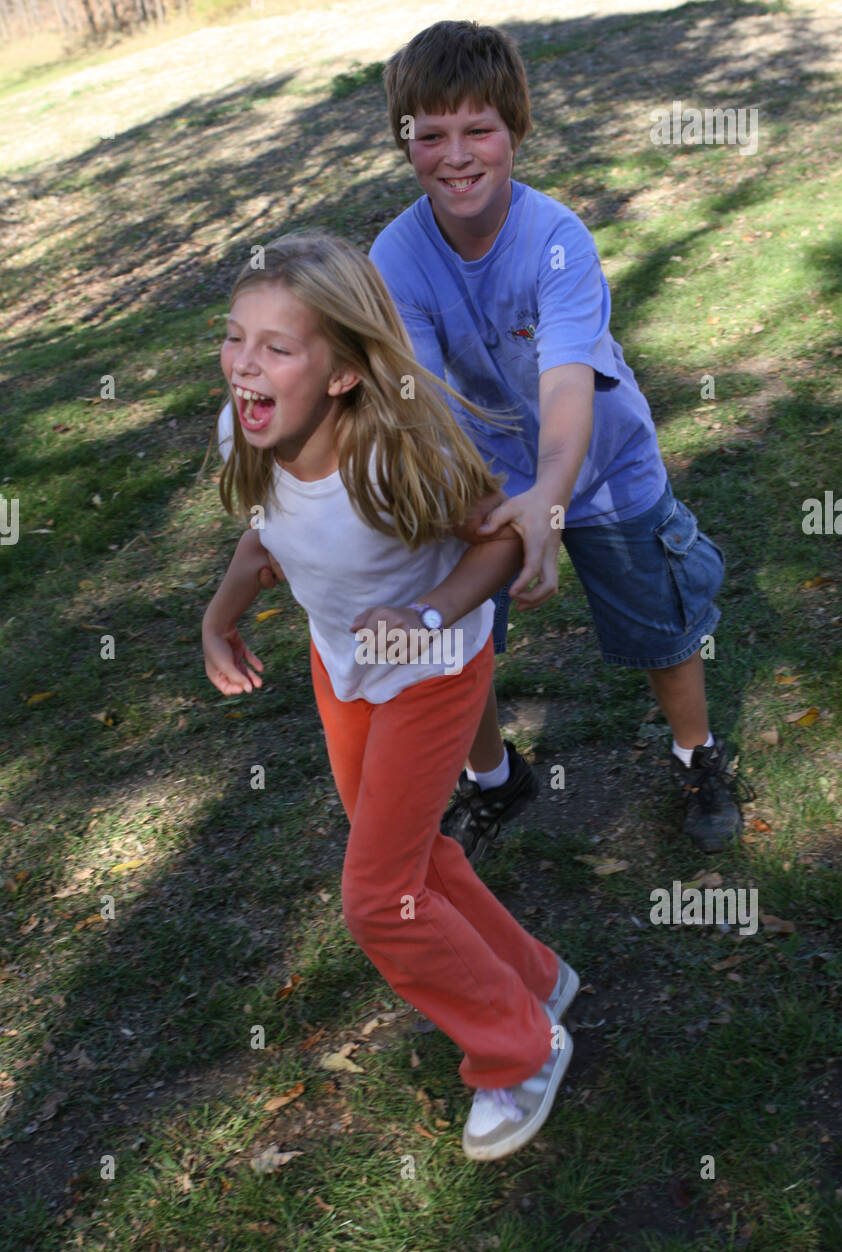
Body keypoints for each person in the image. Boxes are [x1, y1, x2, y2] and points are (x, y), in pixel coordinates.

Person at [201, 231, 580, 1161]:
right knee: (410, 860)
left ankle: (522, 1050)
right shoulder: (242, 431)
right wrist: (220, 619)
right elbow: (261, 538)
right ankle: (537, 978)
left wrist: (429, 610)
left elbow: (495, 536)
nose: (245, 365)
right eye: (234, 337)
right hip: (345, 672)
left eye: (276, 348)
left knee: (375, 900)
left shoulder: (385, 457)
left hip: (434, 674)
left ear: (339, 374)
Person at [368, 19, 750, 861]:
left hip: (605, 465)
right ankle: (495, 777)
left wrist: (549, 498)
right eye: (431, 135)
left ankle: (697, 754)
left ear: (516, 132)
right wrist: (485, 505)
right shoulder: (394, 257)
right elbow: (421, 400)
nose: (457, 155)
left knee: (664, 622)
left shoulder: (557, 240)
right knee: (459, 636)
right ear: (406, 145)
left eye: (479, 130)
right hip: (479, 479)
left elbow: (566, 382)